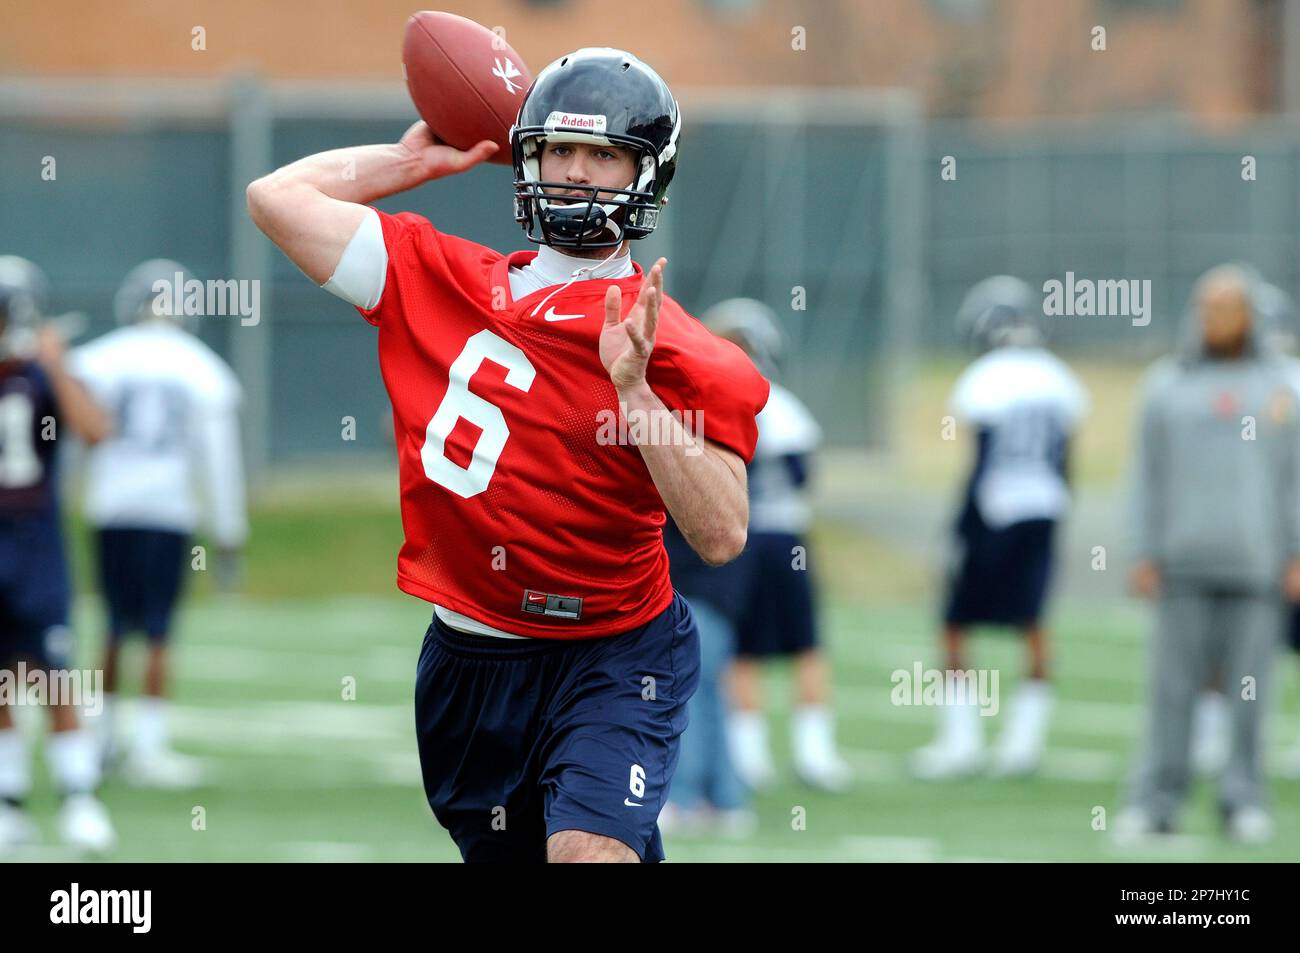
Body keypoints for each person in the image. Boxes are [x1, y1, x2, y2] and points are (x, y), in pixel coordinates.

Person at [247, 48, 769, 862]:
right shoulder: (436, 274)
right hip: (469, 654)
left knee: (587, 852)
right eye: (560, 149)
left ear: (646, 176)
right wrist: (408, 162)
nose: (576, 174)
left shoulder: (673, 342)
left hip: (614, 646)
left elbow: (722, 533)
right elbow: (276, 198)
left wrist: (638, 399)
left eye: (604, 155)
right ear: (526, 156)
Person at [1115, 264, 1300, 844]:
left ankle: (1241, 797)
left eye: (1227, 307)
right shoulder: (1166, 386)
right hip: (1182, 564)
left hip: (1255, 565)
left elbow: (1293, 479)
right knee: (1171, 692)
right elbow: (1146, 475)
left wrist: (1294, 552)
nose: (1215, 318)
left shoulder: (1280, 388)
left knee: (1250, 692)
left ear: (1249, 316)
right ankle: (1156, 800)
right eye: (1206, 307)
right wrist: (1143, 550)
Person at [70, 259, 248, 788]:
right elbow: (219, 460)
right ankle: (146, 747)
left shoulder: (98, 359)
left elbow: (72, 432)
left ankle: (99, 739)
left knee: (112, 623)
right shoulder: (202, 368)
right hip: (168, 510)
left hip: (111, 504)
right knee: (159, 629)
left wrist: (68, 498)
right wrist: (228, 530)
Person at [913, 276, 1088, 780]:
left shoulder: (986, 379)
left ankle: (961, 741)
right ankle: (1023, 743)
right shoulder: (1058, 377)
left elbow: (984, 461)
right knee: (1033, 622)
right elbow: (1065, 462)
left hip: (994, 511)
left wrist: (961, 525)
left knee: (955, 621)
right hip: (1046, 508)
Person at [704, 299, 851, 792]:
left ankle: (750, 756)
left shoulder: (717, 402)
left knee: (742, 648)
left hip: (737, 537)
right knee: (805, 645)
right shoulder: (783, 405)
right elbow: (801, 477)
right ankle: (815, 753)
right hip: (784, 537)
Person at [0, 255, 116, 854]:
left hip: (35, 542)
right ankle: (10, 803)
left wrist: (57, 365)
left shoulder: (44, 374)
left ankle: (79, 797)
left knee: (52, 674)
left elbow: (96, 429)